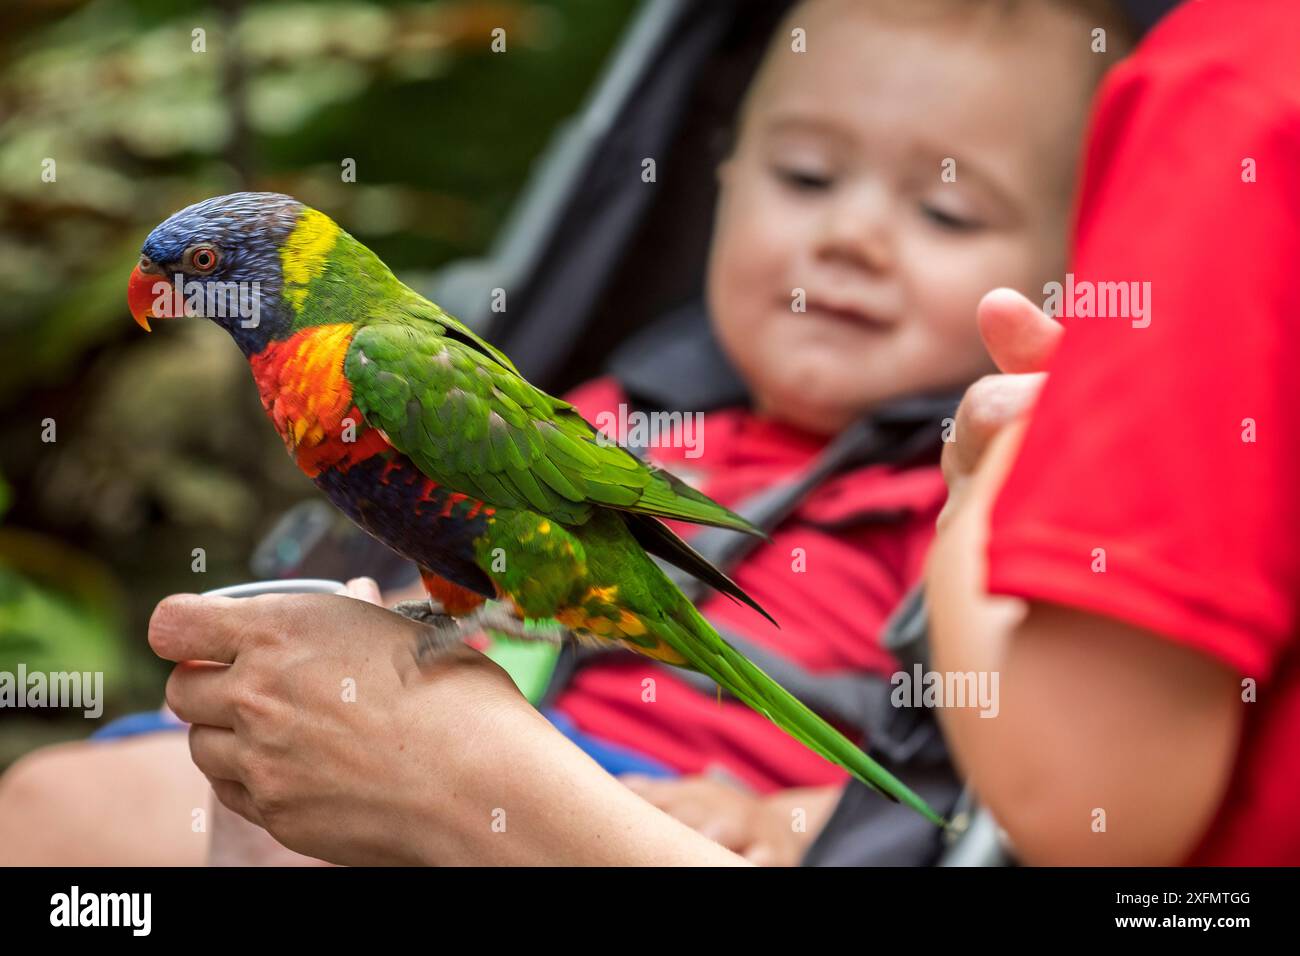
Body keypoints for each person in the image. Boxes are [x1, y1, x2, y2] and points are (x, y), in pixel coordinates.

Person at [0, 0, 1133, 865]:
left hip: (635, 803)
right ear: (722, 182)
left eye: (941, 207)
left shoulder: (976, 475)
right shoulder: (608, 404)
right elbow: (459, 567)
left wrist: (780, 820)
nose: (851, 238)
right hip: (501, 721)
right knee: (59, 798)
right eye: (804, 175)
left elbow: (985, 776)